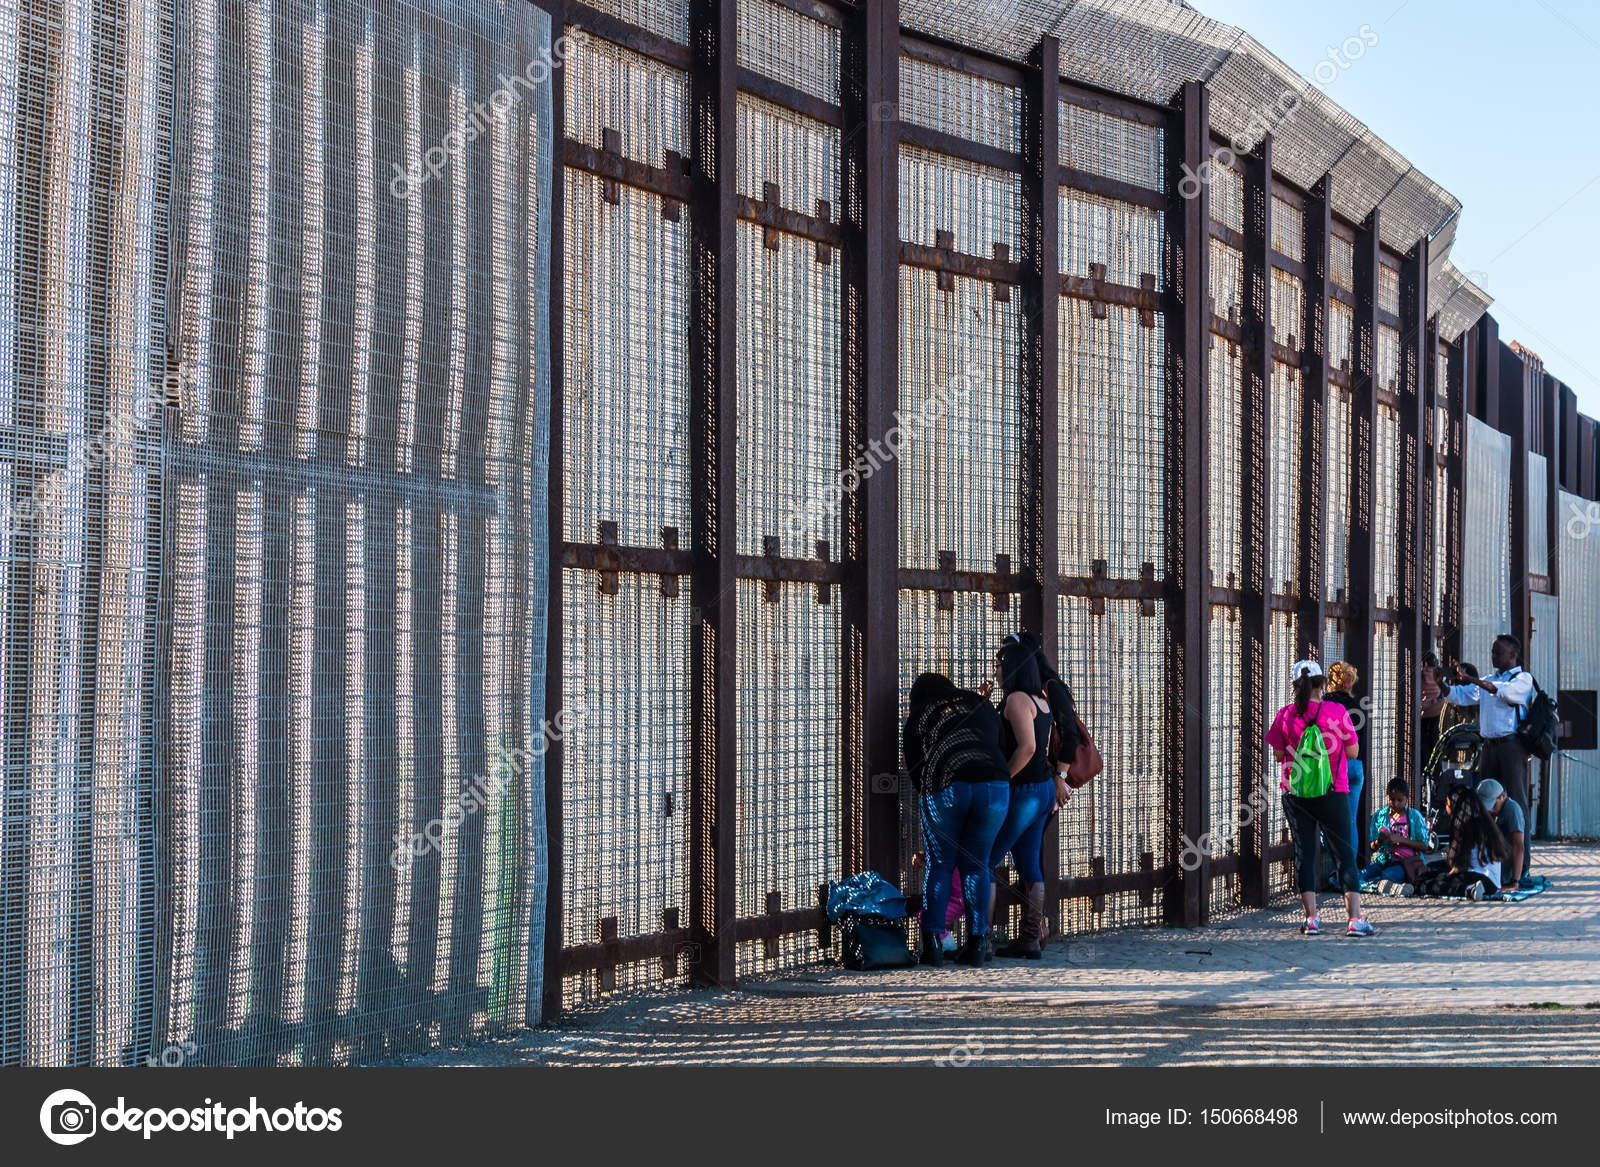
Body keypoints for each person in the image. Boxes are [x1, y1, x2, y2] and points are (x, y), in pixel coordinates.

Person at [903, 673, 1010, 966]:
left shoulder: (923, 713)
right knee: (977, 865)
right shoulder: (979, 703)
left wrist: (929, 797)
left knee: (940, 865)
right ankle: (978, 944)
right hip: (995, 786)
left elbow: (915, 765)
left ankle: (933, 947)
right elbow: (1001, 745)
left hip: (946, 786)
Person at [1265, 660, 1374, 937]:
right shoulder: (1336, 711)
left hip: (1295, 793)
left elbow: (1278, 755)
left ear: (1296, 686)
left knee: (1305, 854)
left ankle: (1311, 919)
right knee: (1344, 855)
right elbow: (1352, 754)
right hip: (1333, 792)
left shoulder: (1286, 714)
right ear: (1323, 684)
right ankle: (1354, 920)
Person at [984, 639, 1058, 960]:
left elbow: (1027, 748)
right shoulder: (1041, 701)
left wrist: (1003, 778)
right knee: (1028, 864)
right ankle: (1029, 939)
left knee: (983, 860)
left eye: (999, 665)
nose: (996, 670)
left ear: (1012, 667)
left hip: (1024, 792)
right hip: (1043, 791)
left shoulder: (1015, 699)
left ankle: (980, 939)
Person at [1438, 635, 1534, 882]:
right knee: (1483, 804)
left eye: (1498, 653)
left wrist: (1471, 679)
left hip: (1511, 747)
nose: (1493, 657)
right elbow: (1463, 695)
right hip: (1489, 747)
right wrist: (1443, 684)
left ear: (1512, 655)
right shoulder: (1489, 680)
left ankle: (1520, 869)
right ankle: (1487, 862)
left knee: (1516, 805)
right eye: (1492, 652)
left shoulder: (1522, 679)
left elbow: (1503, 693)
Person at [1414, 790, 1506, 901]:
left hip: (1478, 879)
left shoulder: (1463, 825)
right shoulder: (1485, 822)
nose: (1446, 806)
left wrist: (1447, 877)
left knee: (1428, 885)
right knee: (1430, 874)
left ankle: (1469, 890)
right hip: (1493, 883)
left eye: (1447, 803)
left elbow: (1459, 866)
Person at [1361, 777, 1434, 894]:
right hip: (1384, 860)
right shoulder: (1379, 816)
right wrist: (1379, 841)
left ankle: (1374, 885)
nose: (1395, 803)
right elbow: (1372, 847)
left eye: (1399, 800)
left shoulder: (1414, 816)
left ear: (1407, 799)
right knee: (1361, 874)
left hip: (1406, 862)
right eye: (1391, 799)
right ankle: (1380, 886)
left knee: (1387, 875)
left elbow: (1424, 847)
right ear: (1386, 796)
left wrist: (1401, 840)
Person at [1324, 660, 1365, 852]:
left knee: (1328, 819)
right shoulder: (1357, 706)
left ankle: (1333, 867)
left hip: (1333, 767)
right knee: (1350, 821)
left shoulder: (1324, 704)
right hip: (1355, 766)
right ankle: (1350, 871)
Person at [1474, 778, 1526, 895]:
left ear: (1502, 796)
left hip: (1505, 869)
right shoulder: (1489, 811)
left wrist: (1515, 882)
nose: (1491, 810)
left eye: (1493, 805)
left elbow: (1519, 846)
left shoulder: (1512, 809)